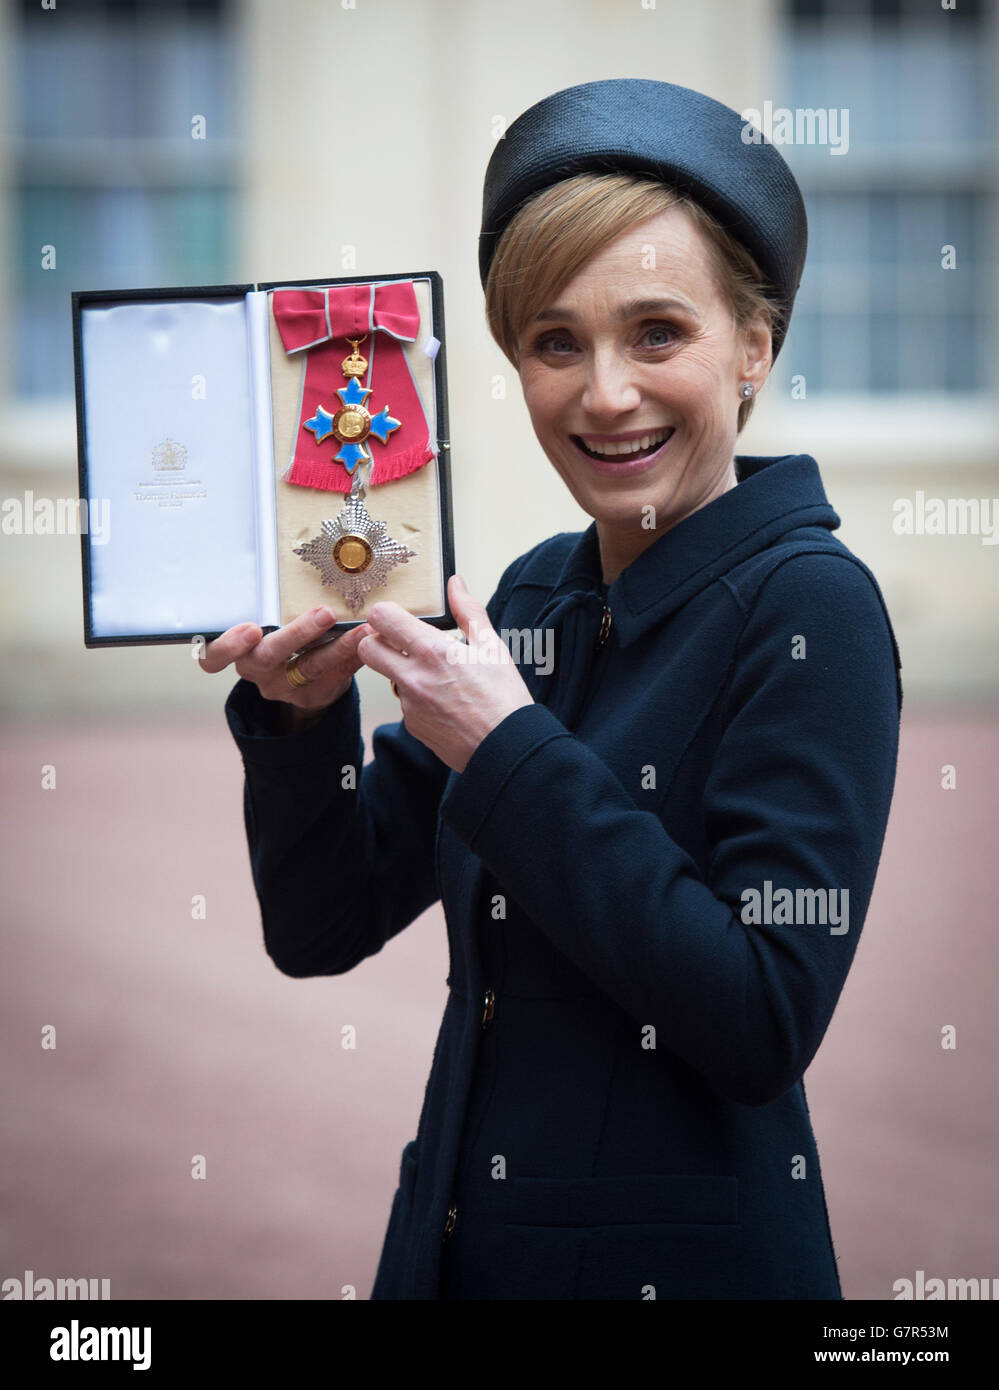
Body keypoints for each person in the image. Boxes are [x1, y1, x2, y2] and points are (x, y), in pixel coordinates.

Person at [200, 78, 903, 1300]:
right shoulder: (529, 600)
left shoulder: (813, 608)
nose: (605, 393)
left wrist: (510, 749)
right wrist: (305, 721)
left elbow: (762, 1016)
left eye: (658, 334)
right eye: (555, 342)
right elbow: (321, 926)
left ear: (756, 344)